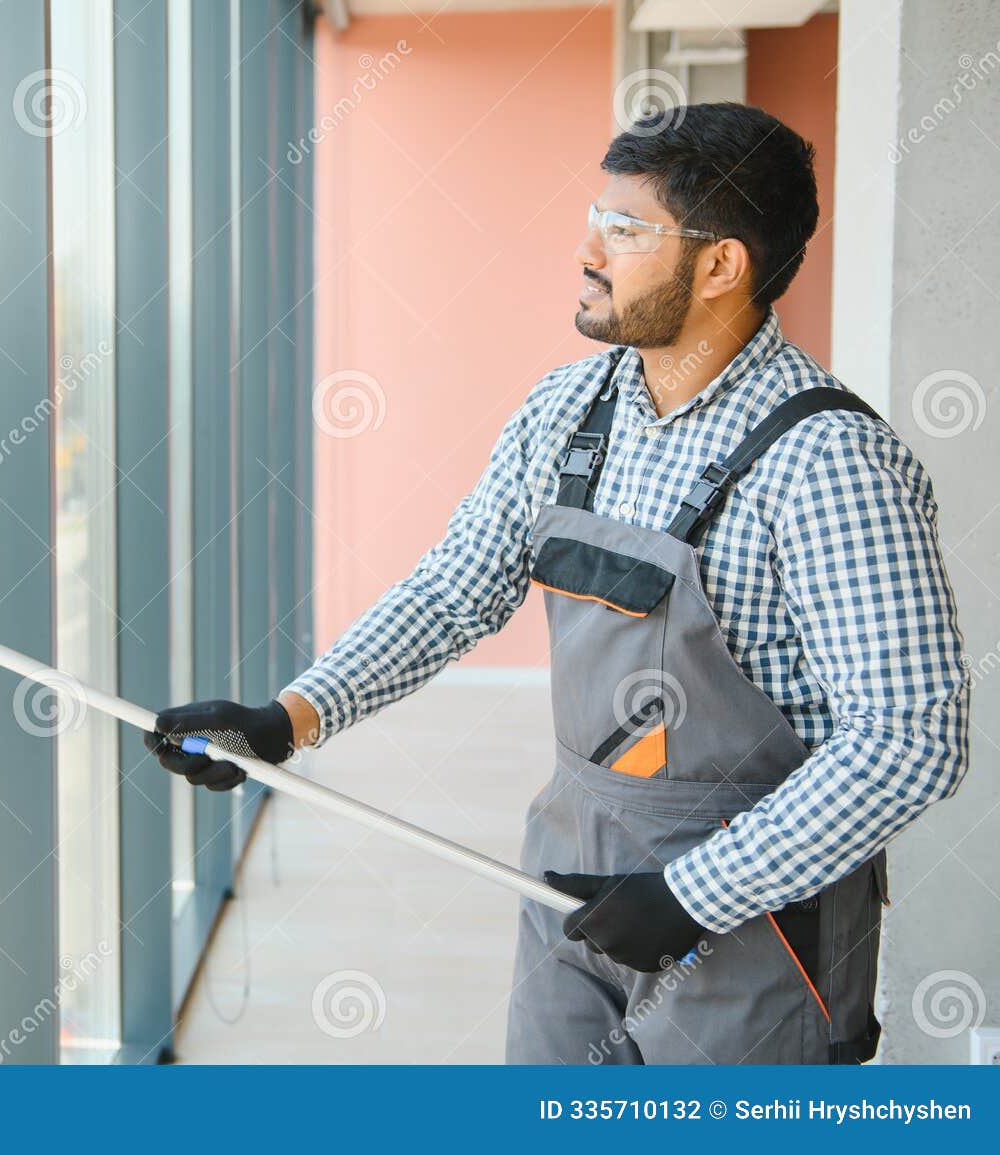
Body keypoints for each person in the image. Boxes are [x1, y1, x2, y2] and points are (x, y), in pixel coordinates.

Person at [143, 102, 969, 1064]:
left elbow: (912, 740)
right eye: (597, 215)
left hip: (761, 927)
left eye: (625, 230)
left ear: (719, 266)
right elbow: (457, 589)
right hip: (572, 878)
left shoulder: (829, 461)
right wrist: (289, 718)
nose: (587, 248)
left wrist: (697, 894)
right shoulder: (567, 409)